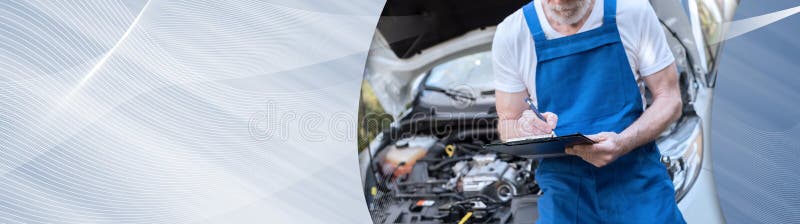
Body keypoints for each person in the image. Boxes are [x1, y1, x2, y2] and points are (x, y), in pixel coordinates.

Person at [492, 0, 686, 223]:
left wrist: (624, 142)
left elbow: (670, 99)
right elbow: (509, 123)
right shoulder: (512, 33)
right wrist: (526, 128)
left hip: (638, 182)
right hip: (564, 193)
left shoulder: (633, 12)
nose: (560, 4)